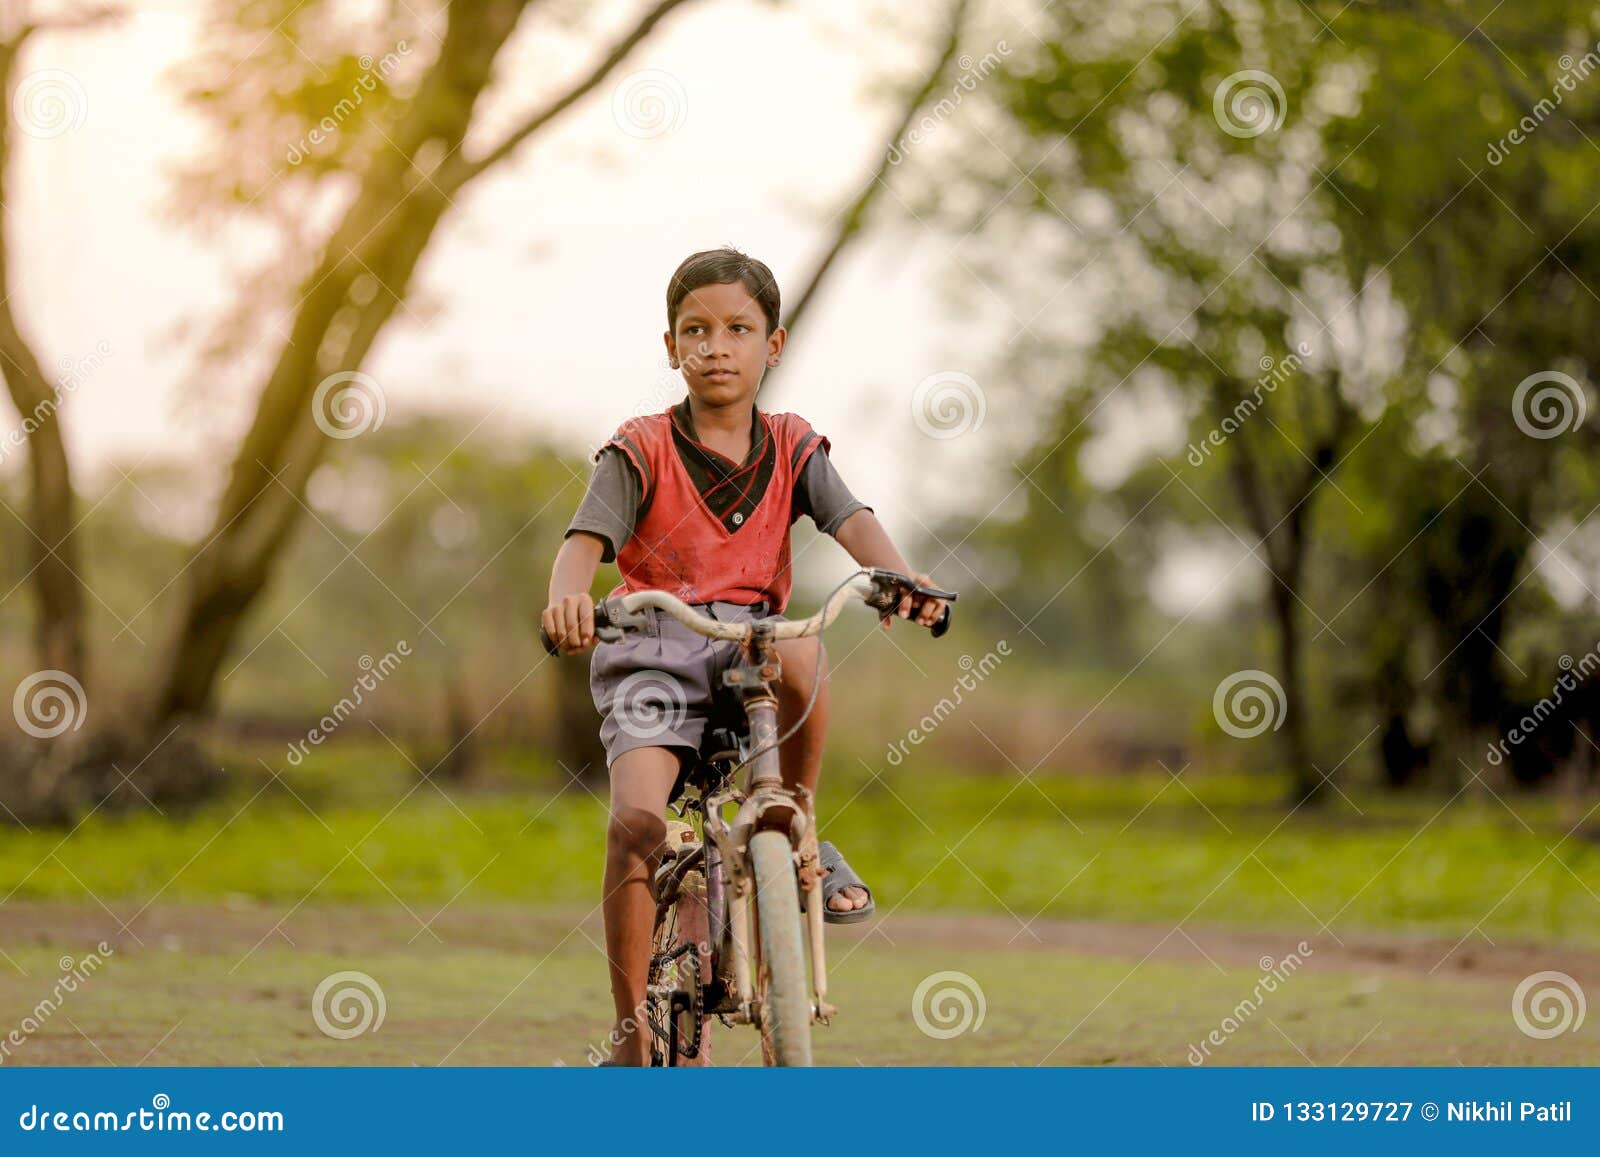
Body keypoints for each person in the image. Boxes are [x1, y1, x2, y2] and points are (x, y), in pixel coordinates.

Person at [542, 246, 947, 1065]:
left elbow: (854, 522)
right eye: (696, 330)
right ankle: (628, 1035)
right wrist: (570, 597)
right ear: (670, 348)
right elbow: (583, 545)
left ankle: (797, 826)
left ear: (774, 345)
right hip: (653, 646)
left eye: (737, 329)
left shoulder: (795, 446)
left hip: (750, 648)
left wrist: (900, 573)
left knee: (803, 650)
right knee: (637, 824)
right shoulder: (642, 446)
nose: (716, 346)